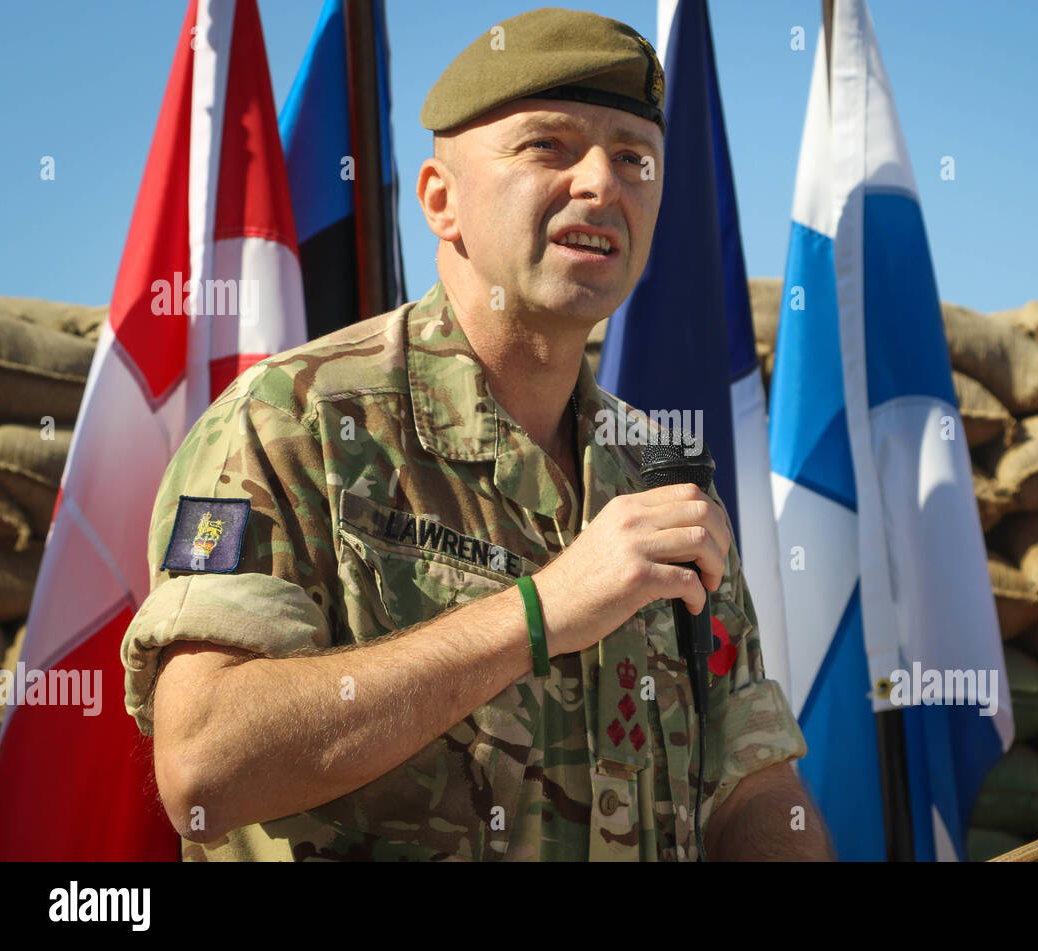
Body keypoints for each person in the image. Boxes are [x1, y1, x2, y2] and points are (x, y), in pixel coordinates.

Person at [121, 6, 831, 862]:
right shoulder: (293, 422)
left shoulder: (663, 473)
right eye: (550, 146)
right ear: (440, 200)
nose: (603, 183)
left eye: (634, 156)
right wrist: (541, 611)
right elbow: (206, 766)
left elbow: (747, 778)